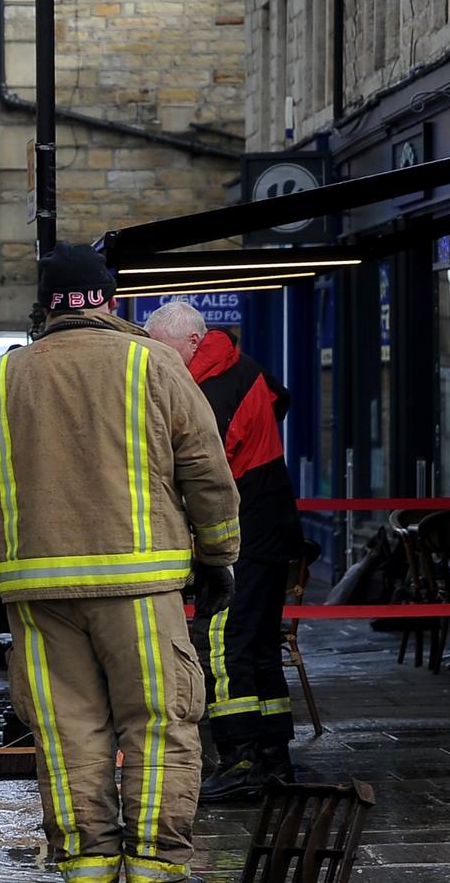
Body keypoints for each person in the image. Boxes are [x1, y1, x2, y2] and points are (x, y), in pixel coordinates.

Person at [0, 243, 240, 883]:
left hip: (38, 594)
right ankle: (155, 868)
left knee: (67, 732)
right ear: (108, 298)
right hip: (140, 587)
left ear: (44, 305)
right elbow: (207, 475)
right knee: (158, 726)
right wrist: (219, 558)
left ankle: (87, 865)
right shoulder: (155, 365)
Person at [144, 300, 305, 800]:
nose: (155, 355)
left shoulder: (209, 389)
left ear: (191, 342)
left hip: (243, 533)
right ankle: (273, 758)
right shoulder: (243, 368)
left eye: (162, 346)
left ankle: (239, 760)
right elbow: (282, 397)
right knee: (257, 645)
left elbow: (200, 472)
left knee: (224, 644)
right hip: (272, 526)